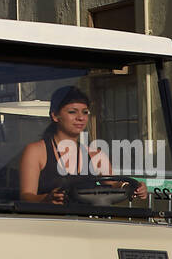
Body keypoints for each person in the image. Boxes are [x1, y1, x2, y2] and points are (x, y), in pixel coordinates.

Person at [18, 86, 147, 204]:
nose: (81, 118)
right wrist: (46, 199)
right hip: (48, 224)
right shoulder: (36, 151)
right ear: (55, 116)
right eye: (72, 112)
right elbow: (26, 196)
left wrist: (132, 187)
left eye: (85, 112)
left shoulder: (96, 155)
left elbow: (114, 184)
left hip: (86, 224)